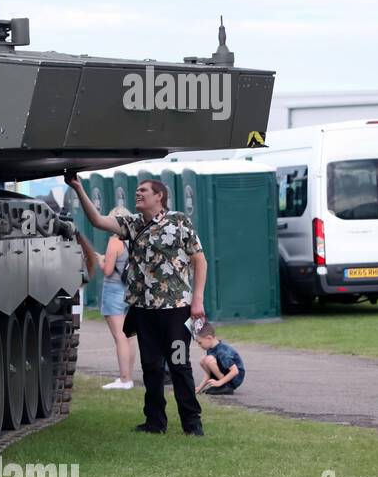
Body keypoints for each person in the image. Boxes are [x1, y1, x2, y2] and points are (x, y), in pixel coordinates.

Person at [65, 171, 208, 436]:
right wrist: (78, 189)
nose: (138, 194)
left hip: (176, 311)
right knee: (152, 366)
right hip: (144, 312)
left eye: (144, 191)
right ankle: (155, 422)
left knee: (179, 364)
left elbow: (200, 260)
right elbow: (97, 220)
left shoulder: (180, 222)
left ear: (159, 196)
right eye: (137, 191)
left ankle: (192, 423)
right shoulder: (132, 224)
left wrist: (197, 299)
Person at [95, 206, 136, 390]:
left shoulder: (114, 242)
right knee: (129, 337)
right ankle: (129, 376)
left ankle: (124, 379)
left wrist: (100, 260)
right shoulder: (132, 241)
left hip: (113, 291)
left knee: (119, 337)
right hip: (129, 291)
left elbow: (108, 270)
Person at [194, 322, 245, 396]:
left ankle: (226, 386)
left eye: (200, 343)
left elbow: (235, 371)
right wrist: (199, 388)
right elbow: (208, 373)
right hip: (225, 375)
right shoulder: (210, 349)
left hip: (234, 379)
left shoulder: (222, 351)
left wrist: (219, 382)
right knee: (203, 360)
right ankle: (222, 385)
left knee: (208, 360)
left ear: (209, 338)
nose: (199, 346)